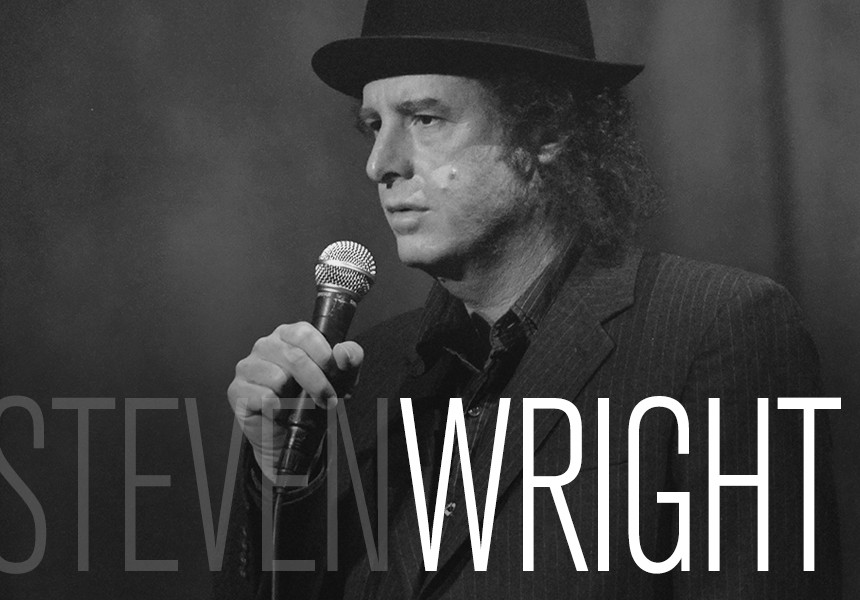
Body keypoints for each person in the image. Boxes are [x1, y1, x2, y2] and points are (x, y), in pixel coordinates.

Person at [215, 0, 841, 598]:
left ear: (545, 130)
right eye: (374, 126)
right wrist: (279, 477)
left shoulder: (714, 329)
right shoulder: (365, 373)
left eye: (425, 119)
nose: (380, 163)